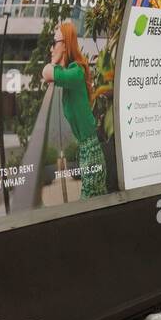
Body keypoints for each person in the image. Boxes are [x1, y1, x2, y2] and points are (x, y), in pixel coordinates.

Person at [41, 19, 106, 199]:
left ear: (66, 44)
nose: (51, 48)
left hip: (91, 151)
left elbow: (46, 72)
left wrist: (53, 62)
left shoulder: (75, 72)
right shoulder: (71, 71)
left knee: (90, 206)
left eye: (54, 43)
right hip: (87, 150)